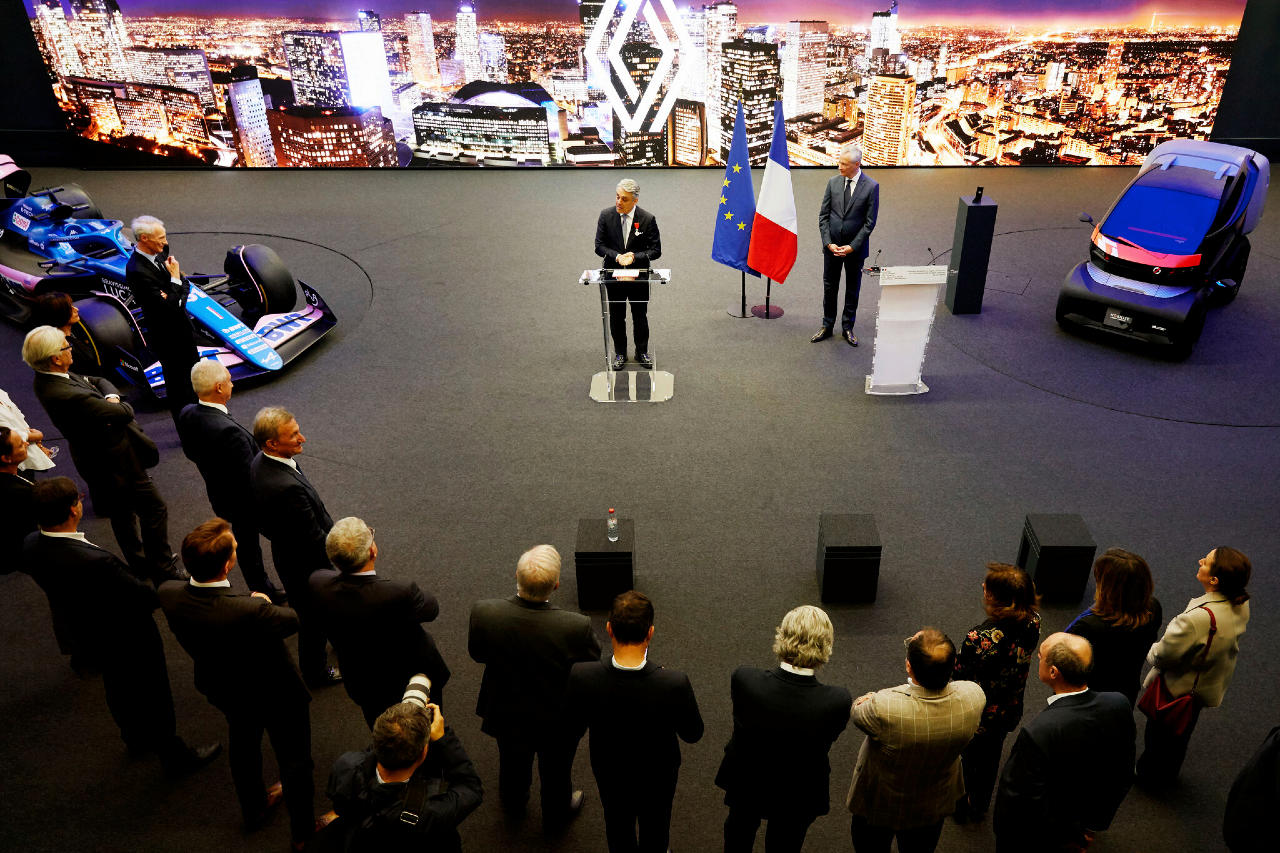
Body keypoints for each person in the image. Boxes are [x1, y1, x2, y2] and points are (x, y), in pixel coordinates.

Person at [22, 477, 221, 776]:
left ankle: (134, 737)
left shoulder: (32, 543)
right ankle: (173, 754)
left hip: (86, 629)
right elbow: (143, 596)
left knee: (116, 685)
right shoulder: (93, 562)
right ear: (73, 510)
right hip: (128, 633)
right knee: (154, 692)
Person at [157, 518, 318, 851]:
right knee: (295, 760)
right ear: (228, 565)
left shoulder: (168, 593)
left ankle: (254, 806)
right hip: (275, 693)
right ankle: (304, 834)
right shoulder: (250, 610)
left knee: (243, 744)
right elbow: (291, 621)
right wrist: (262, 601)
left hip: (223, 687)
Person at [24, 325, 183, 584]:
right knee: (153, 509)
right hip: (114, 460)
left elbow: (97, 381)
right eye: (66, 347)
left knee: (122, 515)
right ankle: (162, 567)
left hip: (100, 458)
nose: (71, 349)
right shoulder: (62, 391)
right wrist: (115, 403)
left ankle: (141, 564)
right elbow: (124, 413)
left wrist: (109, 396)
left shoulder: (52, 377)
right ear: (55, 358)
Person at [468, 544, 601, 829]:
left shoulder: (485, 612)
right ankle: (556, 815)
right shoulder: (575, 627)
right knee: (556, 769)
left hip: (505, 708)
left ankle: (514, 804)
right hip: (557, 717)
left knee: (512, 761)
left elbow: (478, 654)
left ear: (516, 575)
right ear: (555, 586)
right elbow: (590, 666)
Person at [567, 590, 704, 853]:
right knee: (657, 826)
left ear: (609, 629)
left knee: (617, 825)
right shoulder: (673, 682)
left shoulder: (582, 676)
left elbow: (573, 727)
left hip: (609, 771)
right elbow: (693, 733)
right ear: (650, 633)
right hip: (659, 775)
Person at [716, 605, 852, 853]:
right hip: (798, 792)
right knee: (786, 843)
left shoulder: (745, 679)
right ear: (826, 645)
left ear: (783, 636)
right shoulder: (838, 701)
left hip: (748, 779)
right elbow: (829, 737)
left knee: (738, 831)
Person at [993, 633, 1135, 853]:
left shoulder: (1038, 732)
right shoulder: (1118, 703)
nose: (1038, 657)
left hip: (1041, 838)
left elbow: (1017, 803)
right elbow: (1121, 773)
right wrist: (1090, 827)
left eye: (1041, 656)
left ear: (1053, 672)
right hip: (1080, 820)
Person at [846, 628, 984, 853]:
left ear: (909, 666)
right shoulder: (974, 697)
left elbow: (857, 712)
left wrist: (873, 696)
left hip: (882, 801)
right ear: (953, 666)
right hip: (932, 802)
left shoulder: (884, 706)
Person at [311, 516, 451, 727]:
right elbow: (431, 608)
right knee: (425, 726)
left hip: (362, 679)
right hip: (408, 679)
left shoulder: (318, 582)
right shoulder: (399, 592)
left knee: (377, 722)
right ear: (372, 551)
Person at [1136, 547, 1251, 787]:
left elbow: (1163, 655)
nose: (1200, 561)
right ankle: (1167, 774)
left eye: (1206, 562)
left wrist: (1151, 649)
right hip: (1204, 685)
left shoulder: (1197, 618)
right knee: (1181, 732)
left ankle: (1150, 779)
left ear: (1214, 580)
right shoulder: (1241, 604)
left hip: (1178, 688)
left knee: (1159, 736)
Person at [321, 682, 482, 853]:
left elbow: (340, 806)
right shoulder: (430, 811)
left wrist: (395, 729)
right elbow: (471, 788)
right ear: (423, 754)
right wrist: (443, 738)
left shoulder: (346, 765)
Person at [177, 360, 284, 603]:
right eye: (228, 380)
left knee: (245, 542)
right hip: (244, 501)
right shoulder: (229, 431)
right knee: (255, 543)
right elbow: (251, 475)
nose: (232, 384)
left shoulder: (187, 413)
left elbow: (191, 452)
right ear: (218, 388)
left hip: (219, 493)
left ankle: (261, 585)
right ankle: (264, 589)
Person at [249, 405, 340, 686]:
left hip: (288, 553)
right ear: (272, 443)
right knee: (312, 621)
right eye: (294, 435)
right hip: (307, 565)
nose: (303, 439)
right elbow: (313, 538)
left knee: (323, 609)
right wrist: (345, 547)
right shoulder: (285, 488)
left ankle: (340, 638)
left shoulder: (262, 463)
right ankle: (316, 674)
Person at [951, 563, 1041, 824]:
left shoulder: (980, 637)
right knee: (991, 758)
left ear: (994, 597)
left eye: (987, 586)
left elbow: (959, 674)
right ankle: (980, 804)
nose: (982, 587)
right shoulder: (1034, 622)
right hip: (1009, 705)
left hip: (978, 711)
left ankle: (961, 807)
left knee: (968, 759)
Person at [1065, 548, 1162, 704]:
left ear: (1110, 589)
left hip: (1088, 698)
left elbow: (1066, 662)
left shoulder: (1089, 626)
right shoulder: (1153, 609)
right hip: (1124, 693)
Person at [126, 215, 197, 418]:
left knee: (194, 381)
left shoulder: (161, 250)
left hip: (185, 332)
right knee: (179, 389)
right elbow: (168, 304)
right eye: (161, 238)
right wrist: (174, 279)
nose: (165, 243)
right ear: (144, 239)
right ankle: (185, 426)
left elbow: (185, 285)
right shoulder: (136, 271)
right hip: (167, 340)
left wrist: (175, 293)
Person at [812, 144, 879, 347]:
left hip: (854, 250)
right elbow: (823, 216)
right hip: (832, 248)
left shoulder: (871, 186)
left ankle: (847, 327)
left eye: (843, 164)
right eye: (839, 162)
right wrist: (828, 242)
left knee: (852, 288)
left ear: (857, 165)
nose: (839, 167)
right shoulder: (833, 182)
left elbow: (869, 223)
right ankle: (827, 325)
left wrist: (852, 246)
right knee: (830, 287)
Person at [594, 177, 662, 370]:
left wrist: (635, 257)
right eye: (617, 197)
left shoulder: (647, 219)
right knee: (616, 316)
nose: (618, 202)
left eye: (624, 199)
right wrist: (617, 257)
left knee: (639, 315)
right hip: (613, 276)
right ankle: (620, 354)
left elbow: (655, 251)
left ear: (635, 201)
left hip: (638, 277)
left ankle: (641, 352)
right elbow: (599, 246)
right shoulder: (606, 216)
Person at [0, 427, 36, 570]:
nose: (27, 444)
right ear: (6, 458)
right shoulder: (20, 493)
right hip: (19, 555)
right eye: (20, 445)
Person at [0, 384, 55, 473]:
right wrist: (37, 436)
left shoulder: (1, 393)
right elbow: (5, 435)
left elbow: (20, 420)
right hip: (12, 461)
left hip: (25, 453)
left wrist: (39, 446)